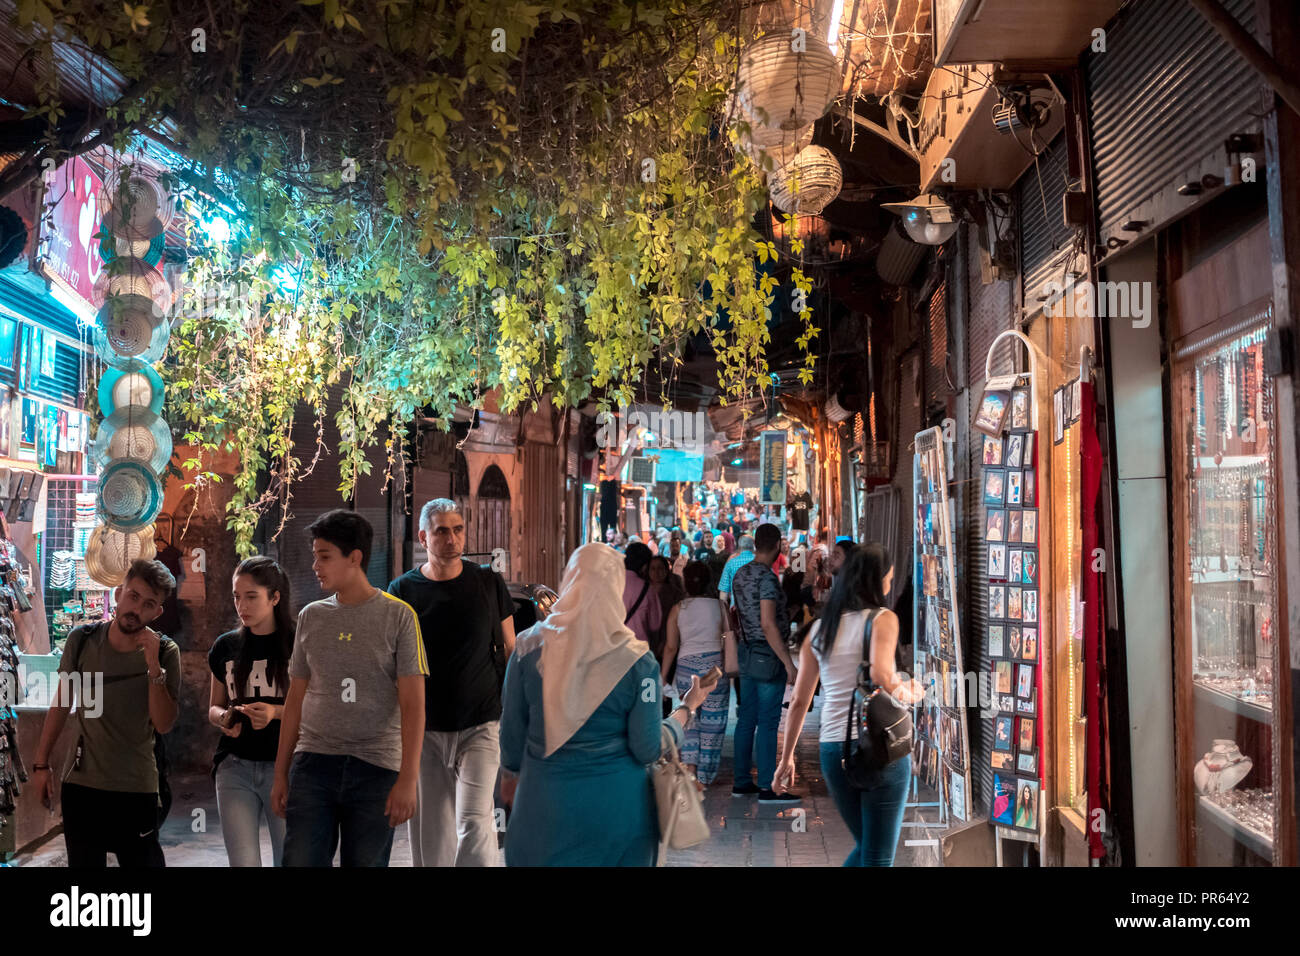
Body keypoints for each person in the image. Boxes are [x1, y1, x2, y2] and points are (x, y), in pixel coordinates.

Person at [498, 543, 721, 865]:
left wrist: (508, 778)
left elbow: (512, 734)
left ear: (569, 581)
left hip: (542, 810)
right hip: (618, 814)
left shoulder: (527, 647)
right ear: (615, 588)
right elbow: (646, 748)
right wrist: (685, 710)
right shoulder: (639, 662)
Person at [272, 510, 428, 867]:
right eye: (314, 556)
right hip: (313, 764)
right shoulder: (311, 616)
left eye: (324, 556)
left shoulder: (399, 616)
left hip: (376, 767)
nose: (315, 565)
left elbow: (414, 704)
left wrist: (408, 778)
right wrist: (281, 772)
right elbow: (295, 700)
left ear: (355, 558)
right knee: (299, 860)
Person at [773, 543, 924, 866]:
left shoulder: (819, 629)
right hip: (877, 745)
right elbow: (882, 673)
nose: (889, 584)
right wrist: (910, 691)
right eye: (888, 578)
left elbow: (800, 700)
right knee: (877, 854)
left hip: (833, 749)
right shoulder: (883, 619)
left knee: (867, 848)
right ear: (876, 579)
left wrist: (786, 758)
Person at [388, 498, 516, 867]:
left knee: (475, 821)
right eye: (442, 531)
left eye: (458, 529)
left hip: (481, 722)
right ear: (423, 537)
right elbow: (391, 664)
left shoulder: (488, 583)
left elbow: (511, 649)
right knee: (432, 829)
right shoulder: (402, 592)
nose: (452, 538)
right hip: (425, 730)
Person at [31, 559, 180, 867]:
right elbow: (61, 704)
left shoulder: (166, 652)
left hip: (136, 788)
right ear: (118, 594)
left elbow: (164, 724)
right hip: (82, 788)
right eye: (133, 596)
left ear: (157, 613)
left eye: (148, 604)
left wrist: (153, 666)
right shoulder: (82, 641)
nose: (136, 609)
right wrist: (41, 765)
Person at [208, 556, 294, 867]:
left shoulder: (298, 643)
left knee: (290, 859)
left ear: (274, 597)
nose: (241, 605)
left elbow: (316, 707)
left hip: (285, 767)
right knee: (242, 862)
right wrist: (224, 719)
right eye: (236, 596)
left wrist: (275, 712)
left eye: (251, 596)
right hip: (234, 767)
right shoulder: (225, 647)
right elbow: (214, 708)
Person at [730, 523, 798, 803]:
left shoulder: (740, 573)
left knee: (746, 719)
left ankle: (741, 781)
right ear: (778, 545)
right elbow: (768, 624)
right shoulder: (767, 579)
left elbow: (737, 613)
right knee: (768, 722)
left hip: (746, 651)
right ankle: (769, 786)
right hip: (767, 656)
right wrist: (789, 663)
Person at [661, 561, 731, 786]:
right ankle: (705, 776)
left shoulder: (678, 608)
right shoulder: (719, 606)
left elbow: (671, 646)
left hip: (686, 668)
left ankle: (690, 768)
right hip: (714, 668)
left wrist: (662, 676)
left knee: (688, 716)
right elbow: (728, 637)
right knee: (713, 722)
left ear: (686, 583)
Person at [622, 542, 664, 652]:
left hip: (612, 648)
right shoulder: (647, 588)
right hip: (638, 649)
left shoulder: (610, 582)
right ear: (645, 566)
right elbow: (655, 624)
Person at [716, 534, 756, 622]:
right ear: (753, 546)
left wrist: (724, 617)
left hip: (736, 609)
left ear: (739, 547)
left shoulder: (731, 563)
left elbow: (723, 593)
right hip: (758, 609)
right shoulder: (761, 562)